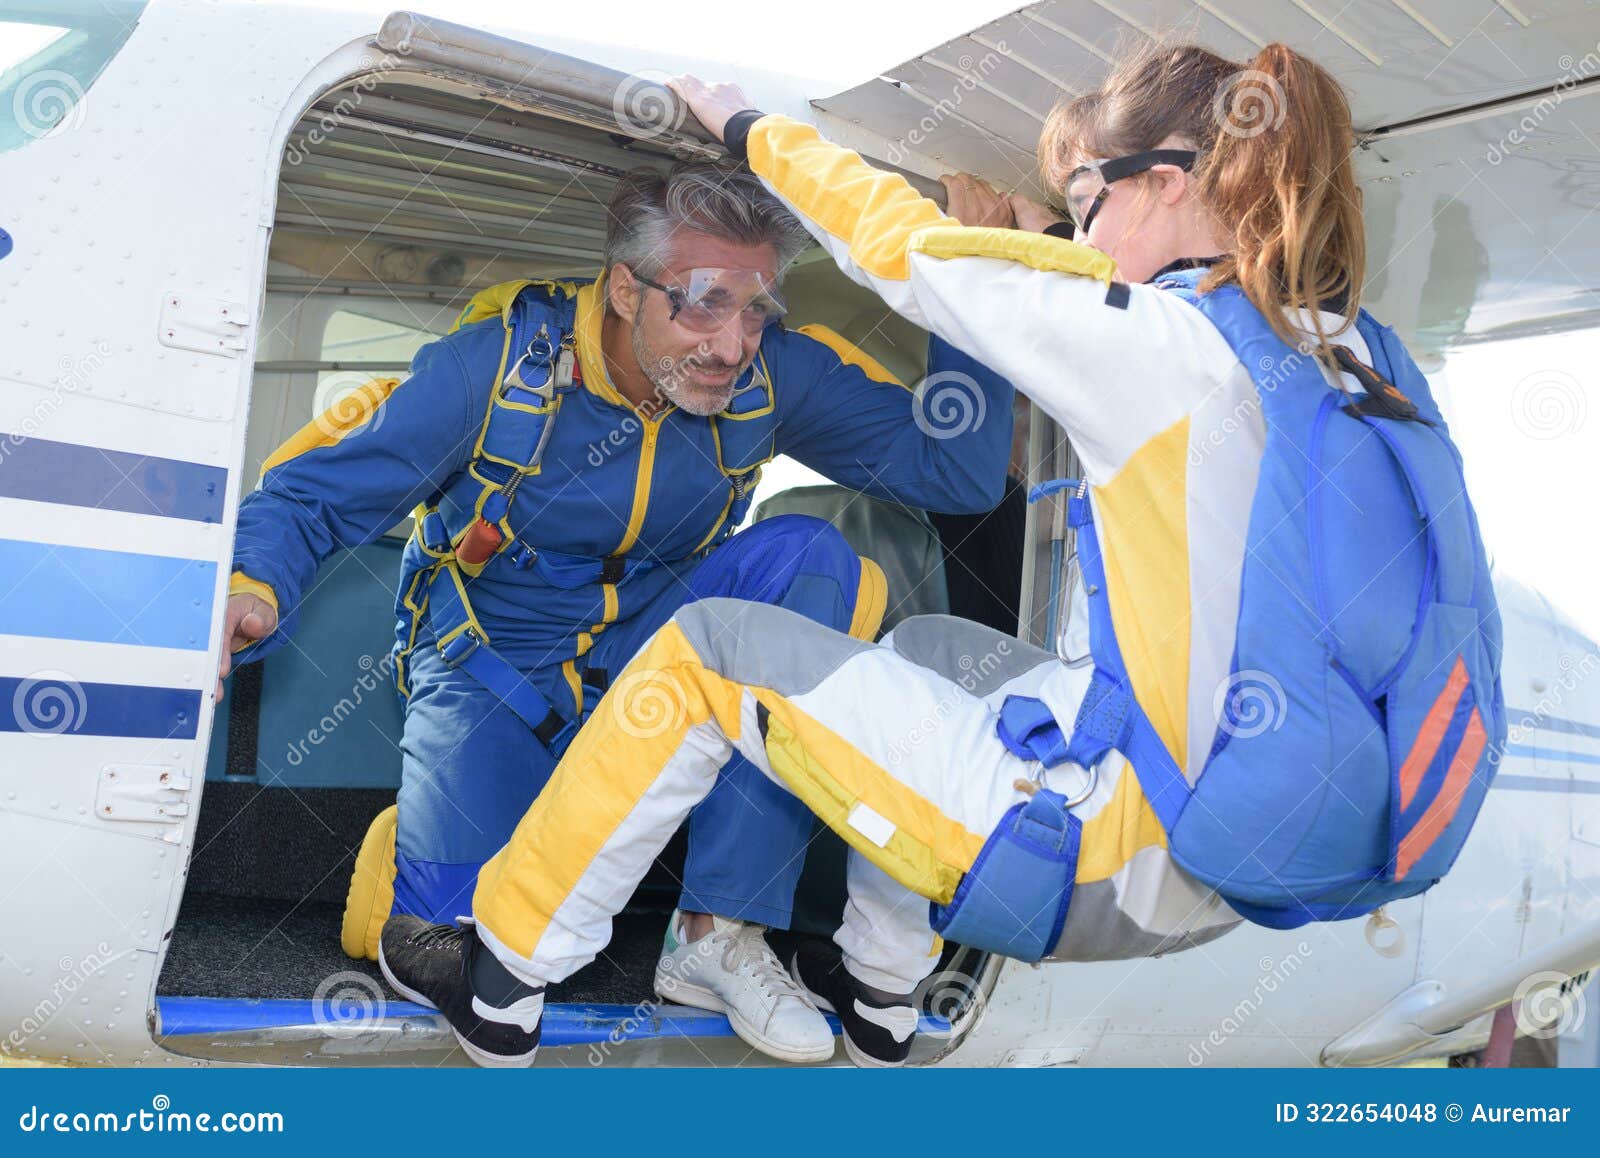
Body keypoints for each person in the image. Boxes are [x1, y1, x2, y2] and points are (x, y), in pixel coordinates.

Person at [379, 39, 1501, 1068]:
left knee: (706, 651)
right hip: (1224, 849)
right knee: (932, 648)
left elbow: (905, 252)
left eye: (1085, 202)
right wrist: (1048, 236)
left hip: (1105, 854)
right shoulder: (1343, 350)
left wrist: (743, 126)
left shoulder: (1163, 346)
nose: (1085, 241)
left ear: (1167, 183)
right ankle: (878, 995)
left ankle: (507, 972)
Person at [222, 161, 1014, 1063]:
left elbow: (956, 473)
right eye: (705, 303)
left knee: (810, 557)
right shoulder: (498, 367)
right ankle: (429, 844)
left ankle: (717, 933)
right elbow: (311, 495)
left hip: (662, 650)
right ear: (626, 288)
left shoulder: (770, 375)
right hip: (493, 663)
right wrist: (253, 587)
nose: (731, 345)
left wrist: (963, 280)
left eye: (758, 310)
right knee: (442, 946)